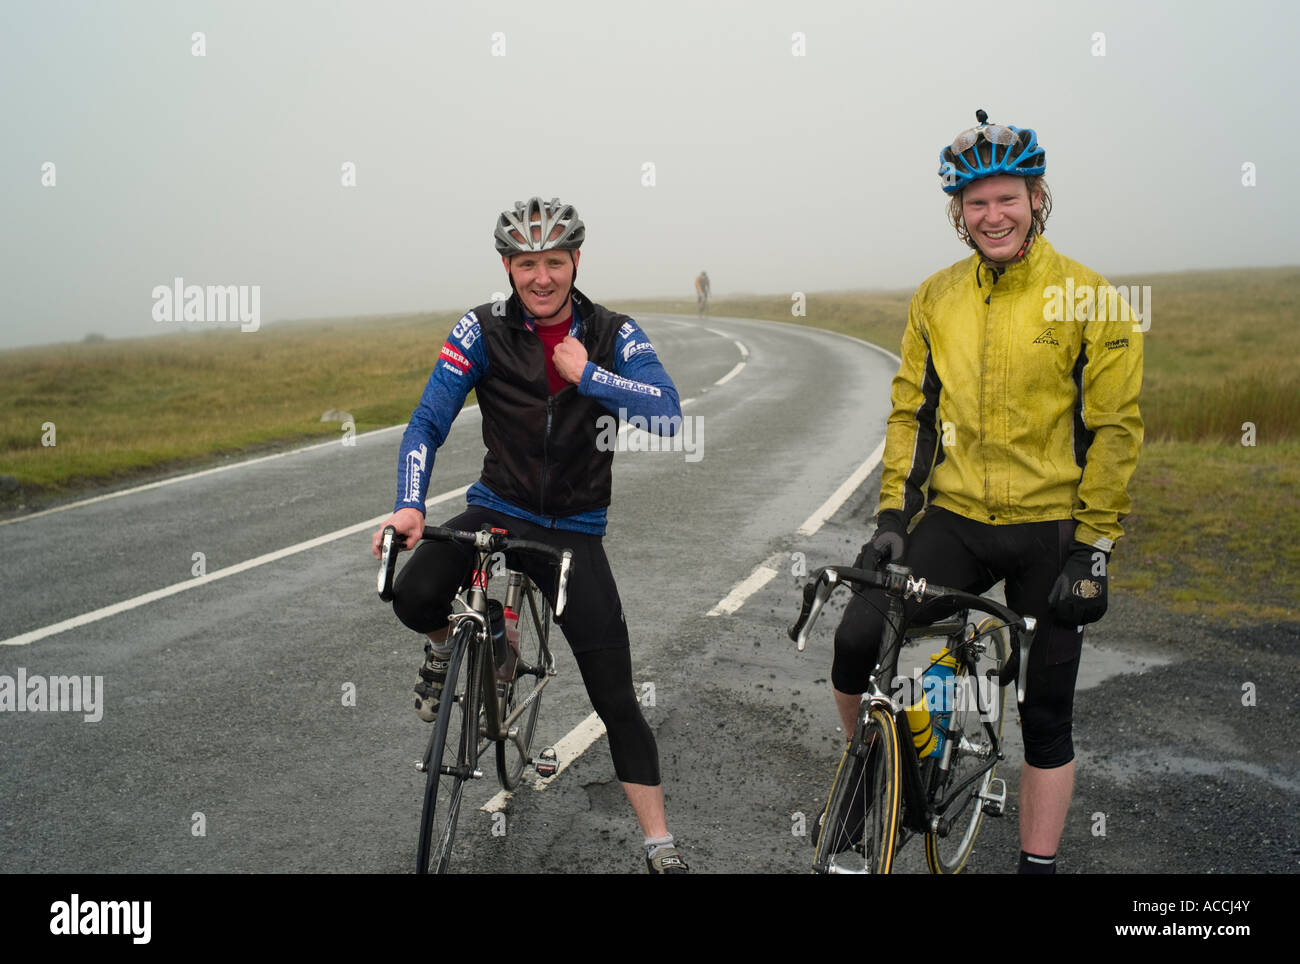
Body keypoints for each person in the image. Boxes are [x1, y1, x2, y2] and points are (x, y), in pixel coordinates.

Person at [831, 111, 1143, 874]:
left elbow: (1115, 431)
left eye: (1008, 199)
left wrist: (1095, 550)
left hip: (1051, 532)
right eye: (976, 204)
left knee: (1044, 711)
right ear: (958, 213)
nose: (993, 216)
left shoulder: (1090, 297)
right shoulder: (937, 297)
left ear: (1038, 199)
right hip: (959, 519)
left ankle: (1037, 864)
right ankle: (871, 776)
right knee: (856, 644)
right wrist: (892, 518)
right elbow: (913, 411)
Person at [371, 197, 690, 874]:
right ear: (507, 267)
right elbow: (428, 420)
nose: (540, 278)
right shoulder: (481, 329)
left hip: (573, 529)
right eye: (525, 264)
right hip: (496, 507)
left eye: (553, 262)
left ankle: (659, 844)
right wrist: (409, 505)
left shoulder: (613, 333)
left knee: (614, 696)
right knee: (414, 593)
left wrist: (589, 376)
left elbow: (668, 415)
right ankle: (471, 643)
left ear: (576, 261)